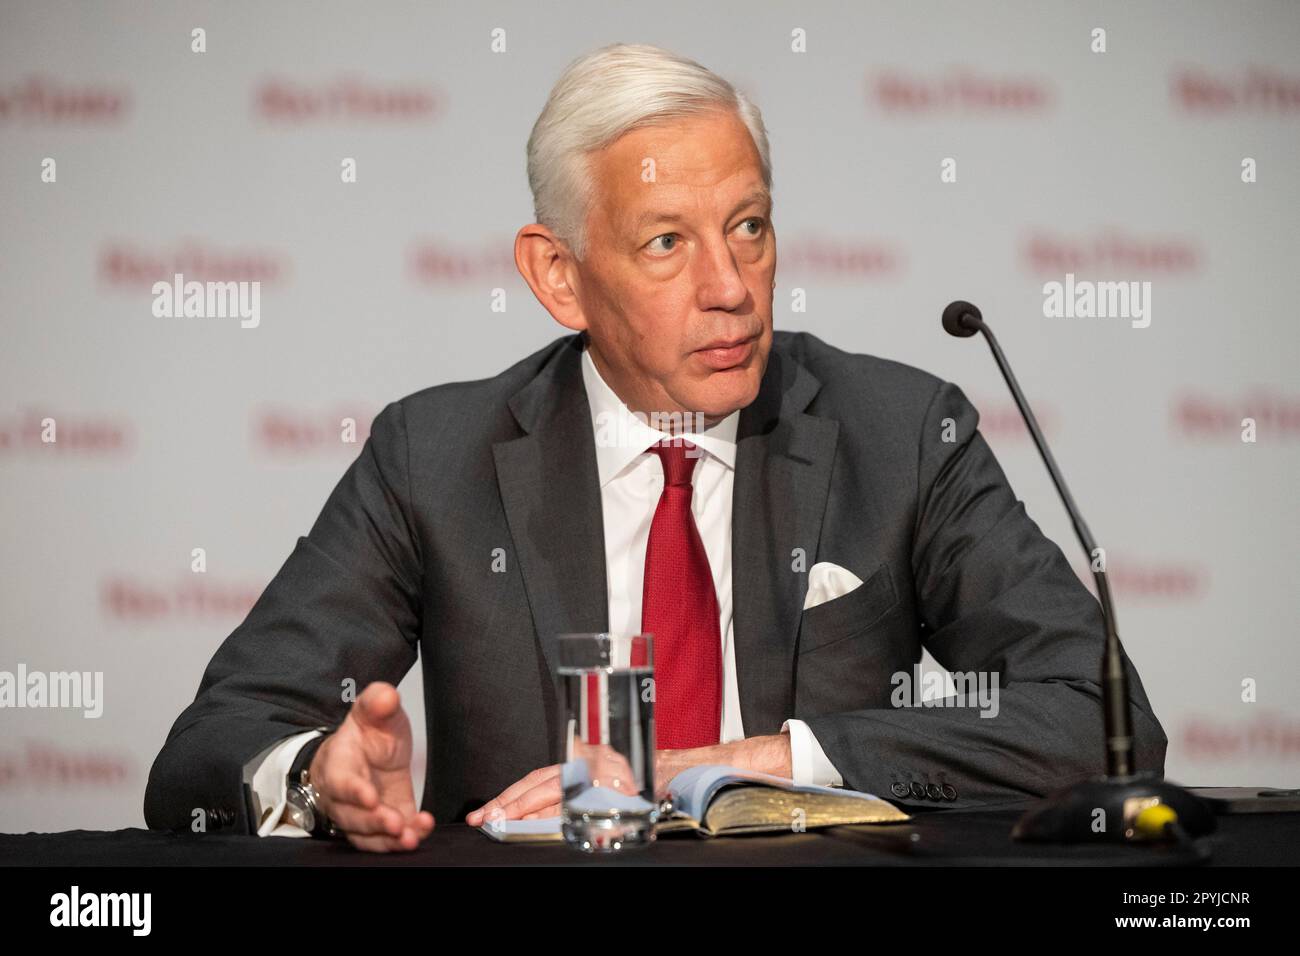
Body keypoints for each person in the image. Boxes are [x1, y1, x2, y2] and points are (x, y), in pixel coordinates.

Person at [144, 42, 1167, 852]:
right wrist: (322, 778)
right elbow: (210, 747)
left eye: (750, 226)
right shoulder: (436, 453)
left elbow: (1096, 716)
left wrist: (772, 759)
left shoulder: (896, 433)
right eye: (666, 242)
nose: (730, 284)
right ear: (558, 275)